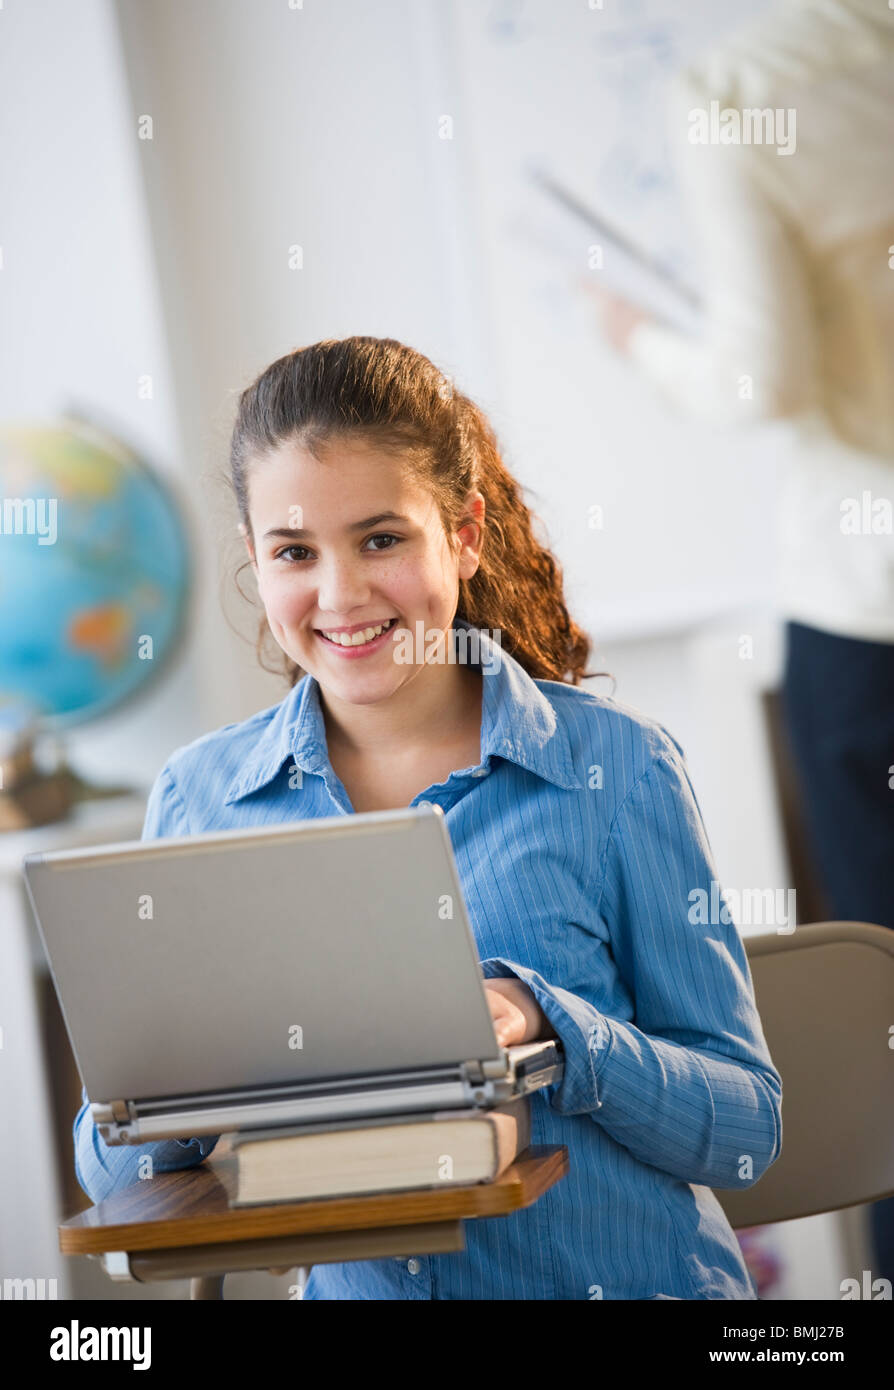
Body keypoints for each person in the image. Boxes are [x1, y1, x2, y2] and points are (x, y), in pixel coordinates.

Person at [73, 336, 782, 1300]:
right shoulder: (204, 798)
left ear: (466, 533)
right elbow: (112, 1174)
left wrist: (555, 1029)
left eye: (381, 538)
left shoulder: (618, 768)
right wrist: (194, 1080)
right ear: (255, 559)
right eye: (293, 552)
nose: (342, 595)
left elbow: (748, 1132)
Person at [585, 0, 894, 1282]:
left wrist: (641, 339)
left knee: (884, 990)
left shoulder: (732, 91)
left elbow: (760, 376)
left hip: (867, 606)